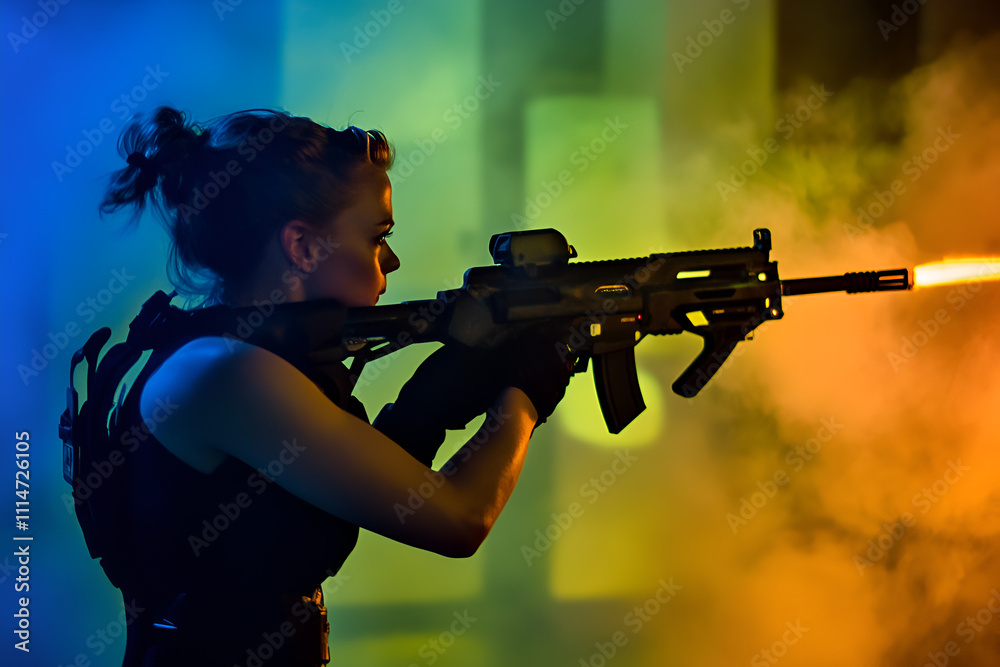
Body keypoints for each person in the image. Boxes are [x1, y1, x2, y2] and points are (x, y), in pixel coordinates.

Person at [94, 106, 574, 665]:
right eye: (377, 236)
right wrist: (526, 393)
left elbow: (327, 500)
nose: (393, 259)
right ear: (302, 246)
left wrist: (427, 408)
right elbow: (461, 521)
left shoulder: (220, 358)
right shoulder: (227, 372)